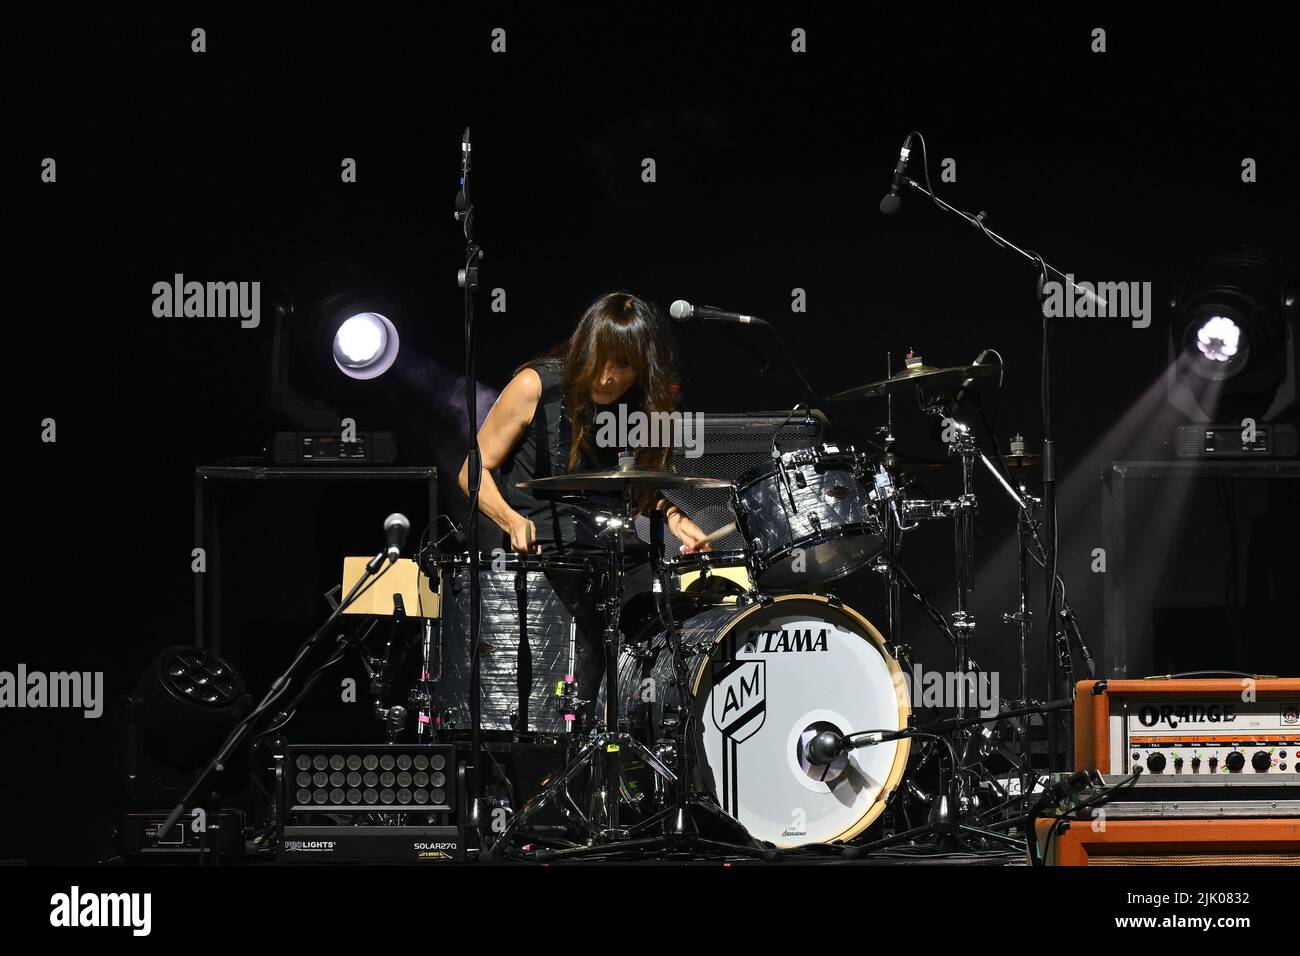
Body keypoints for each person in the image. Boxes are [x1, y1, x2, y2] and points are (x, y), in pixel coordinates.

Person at [458, 291, 712, 730]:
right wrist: (511, 520)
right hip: (544, 565)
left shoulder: (642, 407)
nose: (610, 378)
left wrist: (675, 518)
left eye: (625, 367)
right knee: (550, 713)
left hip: (612, 562)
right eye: (603, 360)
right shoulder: (536, 385)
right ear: (585, 348)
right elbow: (471, 472)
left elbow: (638, 489)